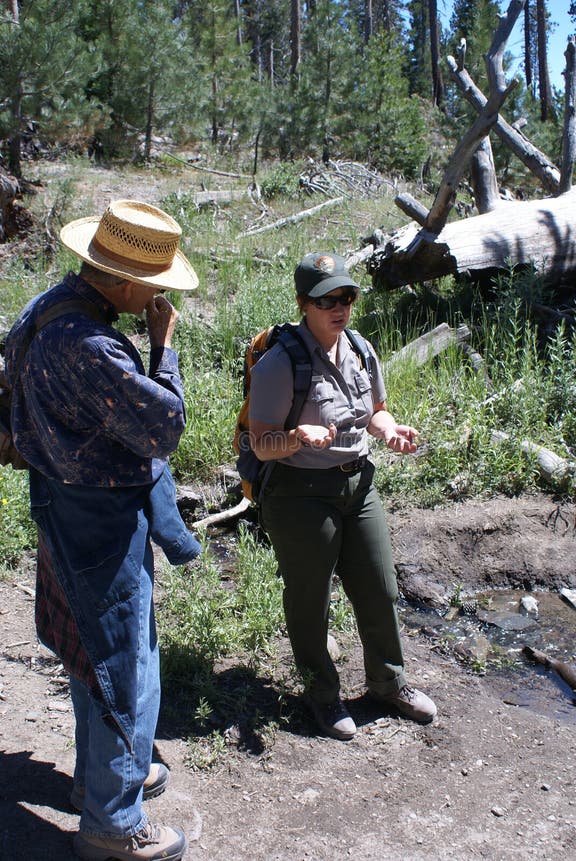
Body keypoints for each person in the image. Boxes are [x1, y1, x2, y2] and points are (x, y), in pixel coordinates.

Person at [5, 199, 201, 860]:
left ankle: (104, 779)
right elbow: (164, 425)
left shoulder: (47, 308)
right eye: (154, 284)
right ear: (123, 282)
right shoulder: (92, 343)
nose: (158, 296)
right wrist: (163, 348)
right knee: (124, 664)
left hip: (61, 499)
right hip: (100, 518)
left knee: (93, 654)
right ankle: (114, 822)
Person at [248, 251, 437, 741]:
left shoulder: (359, 348)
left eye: (347, 297)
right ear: (302, 303)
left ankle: (388, 684)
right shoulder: (279, 364)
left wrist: (390, 431)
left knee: (379, 586)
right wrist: (296, 437)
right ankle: (322, 696)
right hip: (300, 494)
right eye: (327, 299)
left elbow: (374, 412)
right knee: (311, 599)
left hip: (360, 484)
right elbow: (260, 444)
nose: (341, 307)